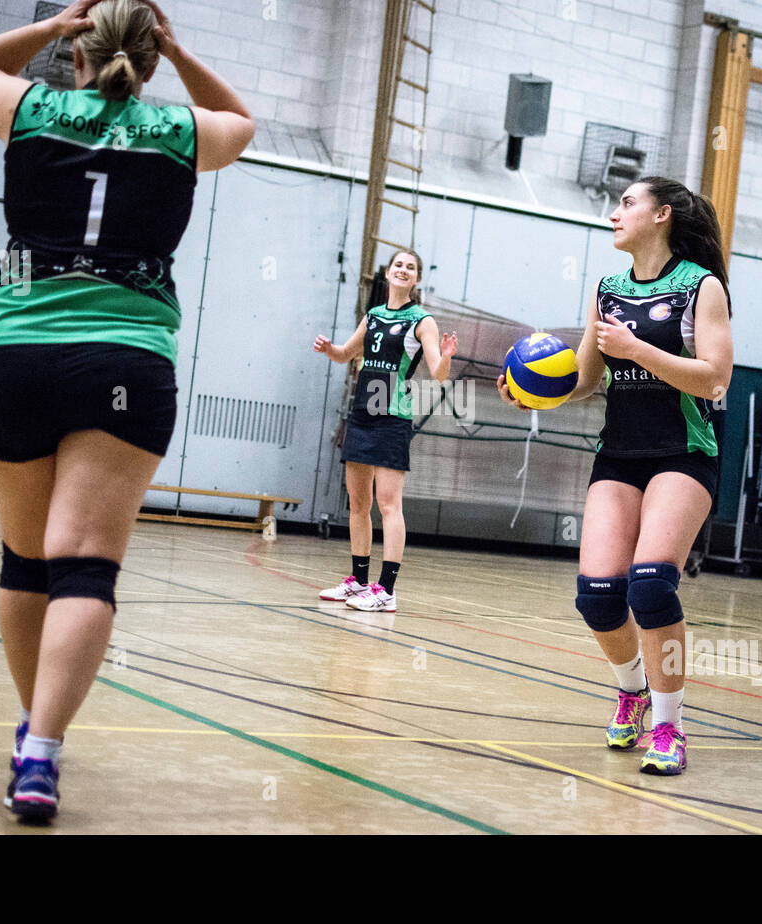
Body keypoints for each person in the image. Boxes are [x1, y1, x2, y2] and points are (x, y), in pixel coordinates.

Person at [0, 0, 253, 821]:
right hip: (126, 361)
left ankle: (32, 727)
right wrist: (179, 52)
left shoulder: (33, 108)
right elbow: (242, 120)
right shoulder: (180, 130)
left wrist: (52, 25)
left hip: (19, 355)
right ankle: (43, 752)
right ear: (150, 64)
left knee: (25, 559)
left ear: (75, 54)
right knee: (85, 564)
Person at [498, 177, 733, 776]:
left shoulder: (701, 287)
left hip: (683, 452)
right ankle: (632, 692)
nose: (614, 214)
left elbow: (714, 379)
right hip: (620, 454)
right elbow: (584, 379)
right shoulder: (607, 290)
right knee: (598, 596)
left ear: (661, 215)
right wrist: (534, 393)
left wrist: (637, 349)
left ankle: (670, 726)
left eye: (627, 203)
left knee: (651, 587)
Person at [313, 248, 457, 612]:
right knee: (358, 504)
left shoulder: (422, 320)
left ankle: (386, 590)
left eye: (410, 267)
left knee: (389, 504)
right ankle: (359, 582)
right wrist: (329, 349)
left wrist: (446, 356)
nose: (403, 270)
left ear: (417, 278)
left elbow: (439, 374)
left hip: (393, 417)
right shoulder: (373, 315)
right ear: (389, 273)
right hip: (363, 413)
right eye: (398, 265)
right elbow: (345, 354)